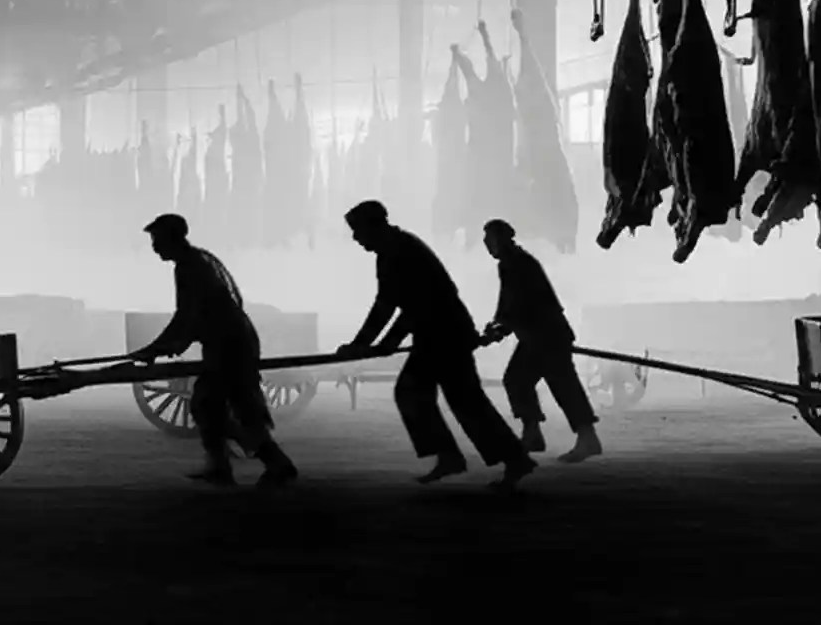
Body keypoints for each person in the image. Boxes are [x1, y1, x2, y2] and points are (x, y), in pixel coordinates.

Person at [336, 200, 536, 490]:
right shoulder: (395, 248)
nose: (355, 238)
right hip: (437, 333)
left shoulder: (399, 251)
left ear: (374, 226)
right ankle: (486, 457)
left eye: (357, 230)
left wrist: (367, 344)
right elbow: (399, 305)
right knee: (457, 398)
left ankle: (469, 457)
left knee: (435, 395)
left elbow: (391, 305)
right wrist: (376, 344)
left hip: (443, 334)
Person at [129, 213, 298, 488]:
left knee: (220, 405)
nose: (154, 247)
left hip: (229, 343)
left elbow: (187, 314)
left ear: (171, 238)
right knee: (212, 407)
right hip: (230, 339)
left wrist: (157, 348)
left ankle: (272, 463)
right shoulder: (198, 260)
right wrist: (162, 346)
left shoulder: (189, 266)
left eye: (156, 240)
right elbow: (193, 315)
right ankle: (225, 466)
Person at [479, 219, 603, 463]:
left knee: (561, 385)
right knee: (519, 380)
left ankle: (584, 439)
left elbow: (518, 304)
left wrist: (499, 328)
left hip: (547, 335)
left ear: (500, 239)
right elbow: (507, 304)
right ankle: (534, 433)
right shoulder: (512, 262)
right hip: (537, 336)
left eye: (489, 238)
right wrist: (497, 325)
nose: (485, 244)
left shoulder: (517, 263)